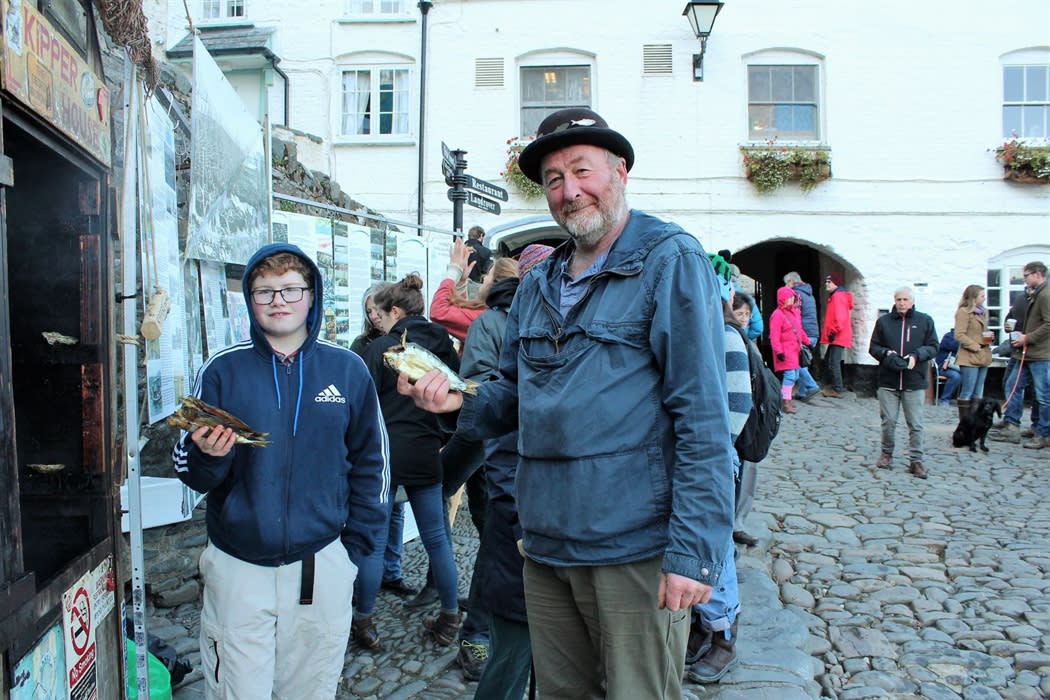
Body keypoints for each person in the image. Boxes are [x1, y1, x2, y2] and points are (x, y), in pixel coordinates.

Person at [398, 107, 735, 699]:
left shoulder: (669, 260)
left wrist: (695, 551)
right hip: (545, 542)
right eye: (554, 179)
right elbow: (512, 399)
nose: (569, 191)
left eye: (582, 171)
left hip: (634, 548)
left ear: (620, 171)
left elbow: (702, 415)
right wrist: (456, 399)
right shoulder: (537, 282)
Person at [172, 243, 390, 699]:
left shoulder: (347, 369)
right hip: (237, 565)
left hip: (321, 562)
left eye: (291, 289)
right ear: (250, 300)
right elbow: (189, 470)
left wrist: (353, 551)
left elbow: (374, 463)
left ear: (312, 296)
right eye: (264, 291)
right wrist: (210, 457)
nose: (279, 301)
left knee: (310, 690)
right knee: (236, 690)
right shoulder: (222, 370)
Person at [354, 274, 464, 649]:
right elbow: (455, 396)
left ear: (395, 312)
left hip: (382, 454)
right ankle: (450, 616)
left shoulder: (378, 349)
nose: (376, 322)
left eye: (380, 315)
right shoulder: (443, 348)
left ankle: (363, 621)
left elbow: (360, 407)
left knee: (373, 538)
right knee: (436, 539)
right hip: (424, 449)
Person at [470, 244, 554, 699]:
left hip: (560, 536)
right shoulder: (507, 333)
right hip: (521, 533)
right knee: (510, 657)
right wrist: (522, 517)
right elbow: (500, 441)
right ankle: (471, 639)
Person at [686, 275, 751, 685]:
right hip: (686, 456)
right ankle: (699, 626)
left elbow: (738, 407)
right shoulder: (688, 334)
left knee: (714, 547)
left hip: (710, 458)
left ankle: (725, 634)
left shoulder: (725, 335)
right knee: (687, 546)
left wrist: (707, 454)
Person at [868, 287, 938, 479]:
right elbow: (873, 347)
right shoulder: (884, 322)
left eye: (905, 299)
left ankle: (916, 460)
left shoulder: (924, 321)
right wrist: (886, 354)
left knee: (915, 423)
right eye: (898, 299)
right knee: (888, 421)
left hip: (914, 380)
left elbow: (933, 346)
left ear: (912, 301)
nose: (902, 303)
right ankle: (886, 453)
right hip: (888, 380)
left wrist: (917, 356)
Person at [729, 291, 761, 547]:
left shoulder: (747, 340)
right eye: (739, 314)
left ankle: (738, 522)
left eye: (747, 315)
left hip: (751, 420)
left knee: (748, 470)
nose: (743, 320)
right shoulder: (729, 336)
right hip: (738, 421)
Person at [990, 284, 1040, 443]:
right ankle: (1011, 422)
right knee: (1010, 383)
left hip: (1038, 353)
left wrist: (1027, 337)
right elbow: (1011, 316)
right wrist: (1007, 324)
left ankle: (1037, 426)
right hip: (1018, 350)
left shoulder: (1043, 298)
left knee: (1040, 392)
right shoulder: (1020, 299)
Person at [1012, 261, 1050, 450]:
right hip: (1029, 353)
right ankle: (1026, 426)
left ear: (1037, 274)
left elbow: (1049, 324)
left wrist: (1027, 338)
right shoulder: (1037, 293)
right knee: (1014, 385)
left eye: (1026, 275)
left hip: (1041, 354)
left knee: (1043, 396)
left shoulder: (1046, 294)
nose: (1024, 279)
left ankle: (1044, 434)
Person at [769, 286, 821, 413]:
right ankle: (785, 402)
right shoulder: (777, 315)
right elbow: (774, 336)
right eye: (789, 298)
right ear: (782, 299)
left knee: (796, 374)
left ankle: (787, 399)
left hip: (794, 350)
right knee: (790, 376)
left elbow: (799, 330)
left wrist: (807, 343)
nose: (791, 300)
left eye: (792, 298)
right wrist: (778, 351)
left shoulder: (793, 312)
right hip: (785, 351)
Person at [952, 284, 993, 418]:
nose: (984, 298)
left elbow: (980, 332)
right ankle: (965, 424)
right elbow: (959, 334)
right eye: (982, 296)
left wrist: (989, 337)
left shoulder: (983, 312)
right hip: (969, 356)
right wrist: (975, 346)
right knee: (967, 391)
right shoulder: (964, 312)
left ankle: (975, 422)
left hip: (983, 356)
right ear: (974, 297)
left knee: (978, 392)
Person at [820, 272, 854, 398]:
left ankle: (837, 389)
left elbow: (840, 317)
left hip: (838, 335)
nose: (826, 284)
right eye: (826, 281)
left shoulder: (838, 296)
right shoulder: (838, 295)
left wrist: (833, 331)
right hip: (839, 334)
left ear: (836, 283)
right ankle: (833, 385)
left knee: (833, 362)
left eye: (829, 282)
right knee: (830, 360)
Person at [934, 330, 962, 407]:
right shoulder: (949, 336)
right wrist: (965, 340)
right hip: (944, 367)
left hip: (959, 367)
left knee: (970, 375)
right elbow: (953, 346)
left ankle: (966, 400)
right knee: (955, 376)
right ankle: (944, 399)